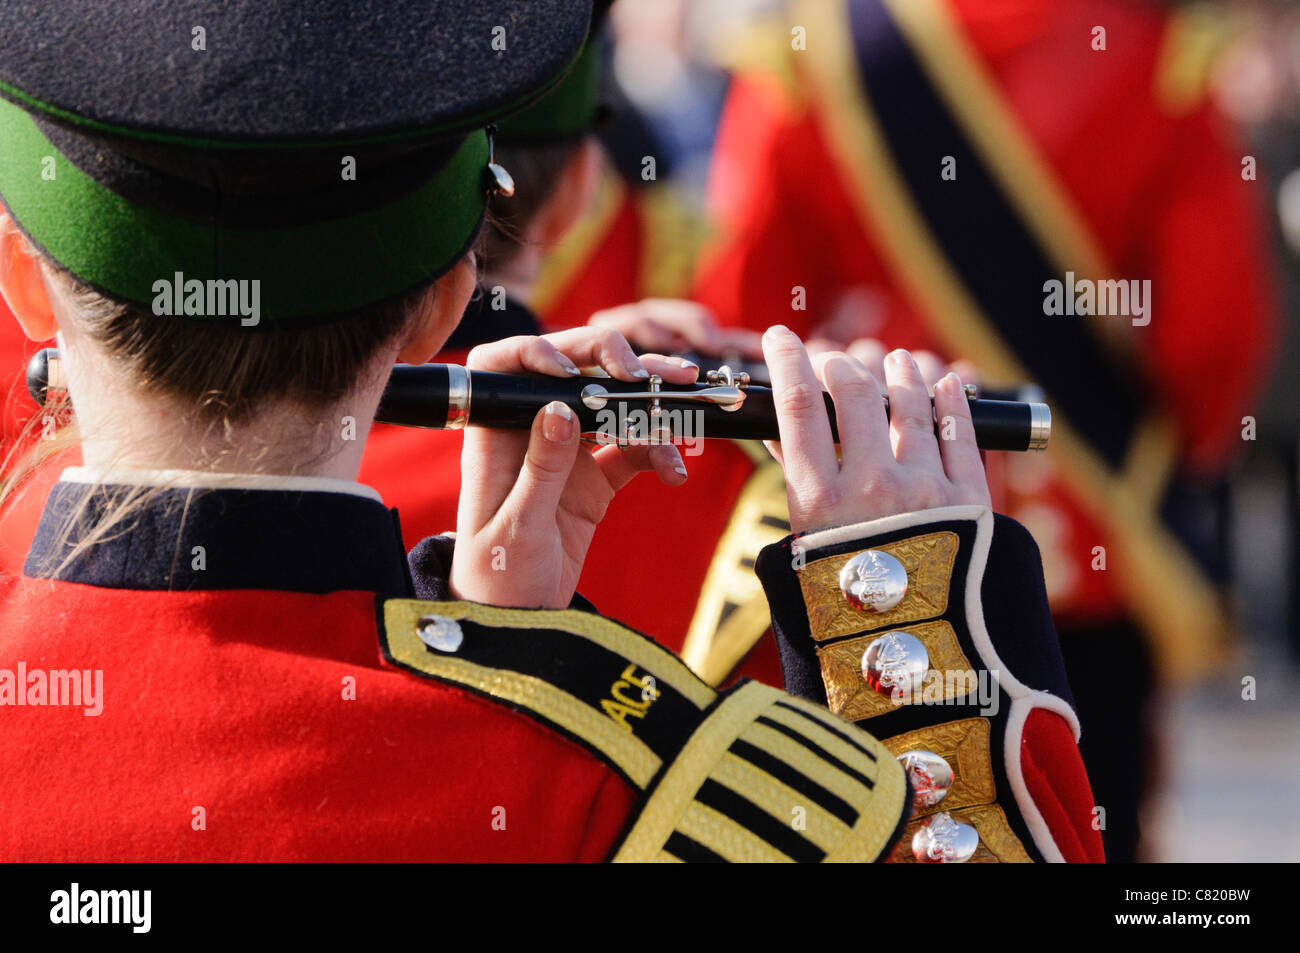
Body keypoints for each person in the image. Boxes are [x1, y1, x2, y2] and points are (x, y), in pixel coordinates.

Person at [0, 0, 1100, 862]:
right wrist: (903, 610)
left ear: (25, 287)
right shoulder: (632, 794)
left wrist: (503, 644)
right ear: (445, 307)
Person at [692, 0, 1278, 861]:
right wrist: (1178, 458)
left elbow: (749, 320)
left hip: (863, 536)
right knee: (1090, 821)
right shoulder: (1155, 60)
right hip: (1087, 547)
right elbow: (1210, 332)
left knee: (873, 816)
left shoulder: (806, 58)